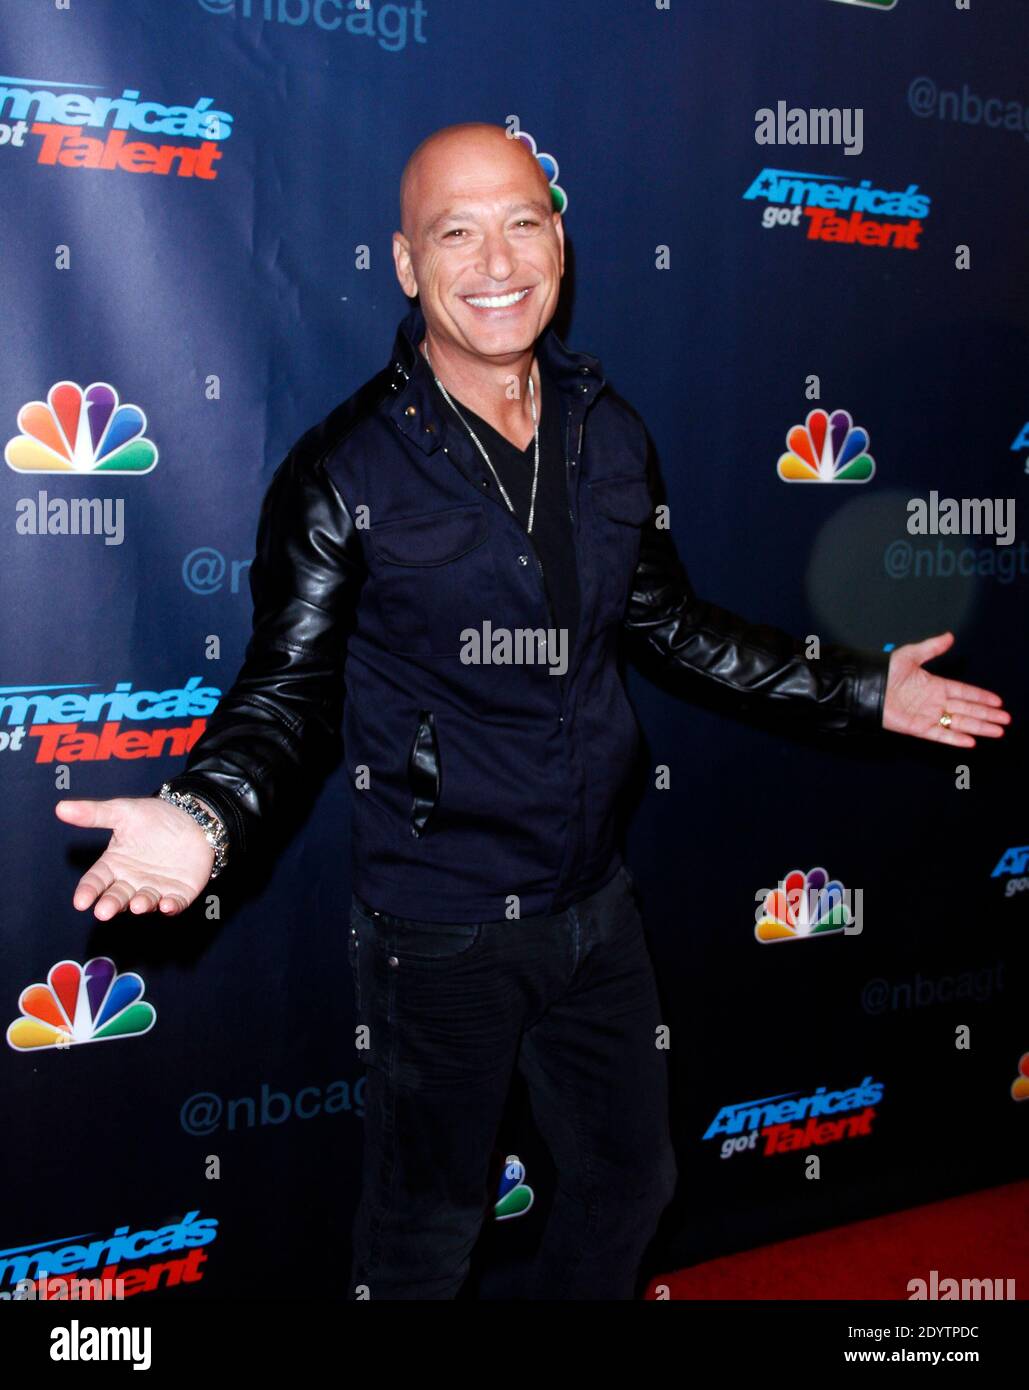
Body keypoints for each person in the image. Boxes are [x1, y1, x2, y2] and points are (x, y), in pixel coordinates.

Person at [55, 123, 1010, 1300]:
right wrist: (210, 814)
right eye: (456, 231)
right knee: (425, 1233)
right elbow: (288, 687)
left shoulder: (612, 432)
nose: (496, 259)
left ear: (558, 239)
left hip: (596, 907)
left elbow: (672, 625)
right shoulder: (342, 472)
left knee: (631, 1184)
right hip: (439, 925)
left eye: (521, 222)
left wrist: (863, 688)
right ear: (408, 265)